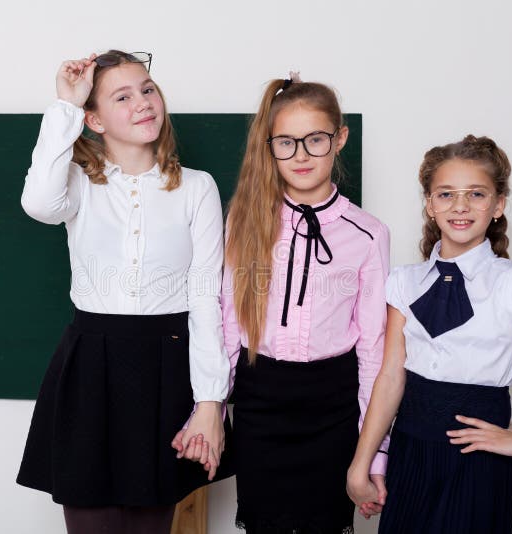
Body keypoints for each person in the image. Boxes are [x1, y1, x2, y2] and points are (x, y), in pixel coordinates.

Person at [347, 134, 512, 533]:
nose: (461, 206)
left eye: (476, 194)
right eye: (446, 194)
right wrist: (360, 464)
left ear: (498, 205)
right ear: (430, 205)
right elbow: (390, 377)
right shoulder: (405, 283)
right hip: (410, 451)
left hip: (476, 460)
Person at [15, 50, 231, 534]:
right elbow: (37, 203)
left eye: (148, 89)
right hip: (91, 365)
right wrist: (65, 106)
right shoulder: (76, 183)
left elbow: (204, 298)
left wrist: (210, 405)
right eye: (122, 96)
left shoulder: (197, 188)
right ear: (94, 119)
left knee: (150, 523)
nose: (143, 103)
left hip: (166, 369)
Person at [221, 73, 391, 534]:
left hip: (333, 406)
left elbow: (374, 349)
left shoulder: (368, 234)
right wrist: (213, 413)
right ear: (269, 145)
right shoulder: (246, 217)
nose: (300, 156)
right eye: (286, 143)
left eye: (315, 140)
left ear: (340, 139)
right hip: (262, 401)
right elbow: (229, 324)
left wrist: (374, 452)